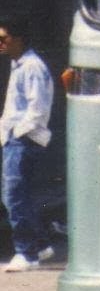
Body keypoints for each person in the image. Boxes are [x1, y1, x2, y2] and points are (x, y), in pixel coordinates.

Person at [0, 16, 55, 272]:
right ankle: (41, 245)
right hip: (16, 140)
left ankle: (26, 253)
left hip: (23, 141)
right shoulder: (19, 65)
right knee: (24, 196)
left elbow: (37, 109)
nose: (1, 43)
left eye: (4, 38)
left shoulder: (32, 67)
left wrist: (16, 134)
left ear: (18, 38)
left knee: (14, 196)